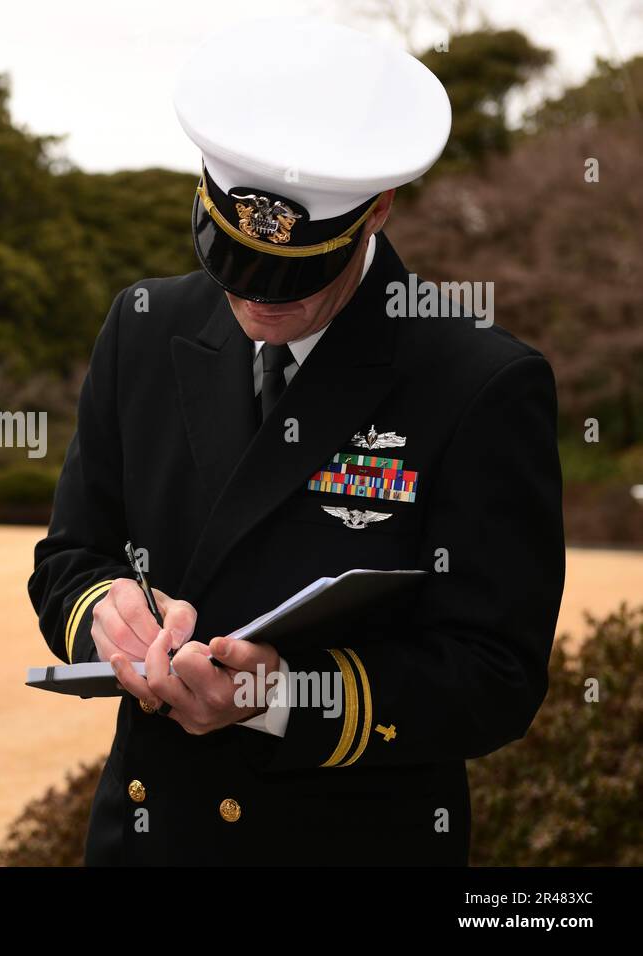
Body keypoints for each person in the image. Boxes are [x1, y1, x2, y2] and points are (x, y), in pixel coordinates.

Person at [28, 18, 564, 865]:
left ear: (377, 210)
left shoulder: (479, 381)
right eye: (234, 266)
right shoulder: (142, 328)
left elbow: (495, 675)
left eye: (294, 275)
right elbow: (70, 556)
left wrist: (283, 696)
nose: (257, 302)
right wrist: (108, 619)